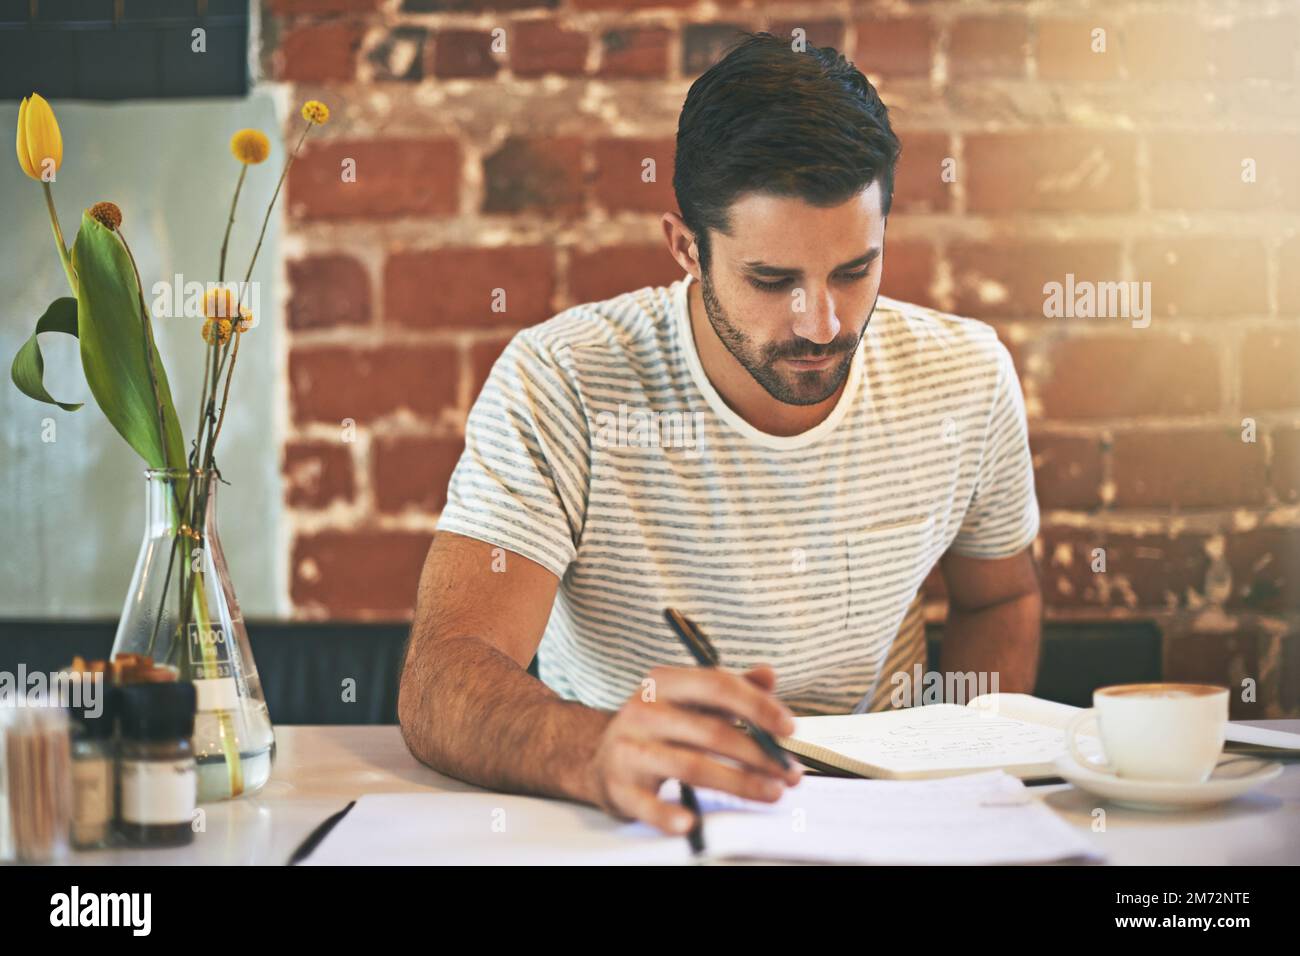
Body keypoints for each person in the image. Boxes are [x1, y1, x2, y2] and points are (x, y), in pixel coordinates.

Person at [398, 32, 1043, 836]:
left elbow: (1002, 597)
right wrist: (595, 752)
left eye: (854, 269)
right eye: (771, 280)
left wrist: (963, 772)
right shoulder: (559, 381)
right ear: (686, 249)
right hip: (633, 821)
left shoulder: (965, 377)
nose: (823, 323)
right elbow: (442, 673)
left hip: (884, 824)